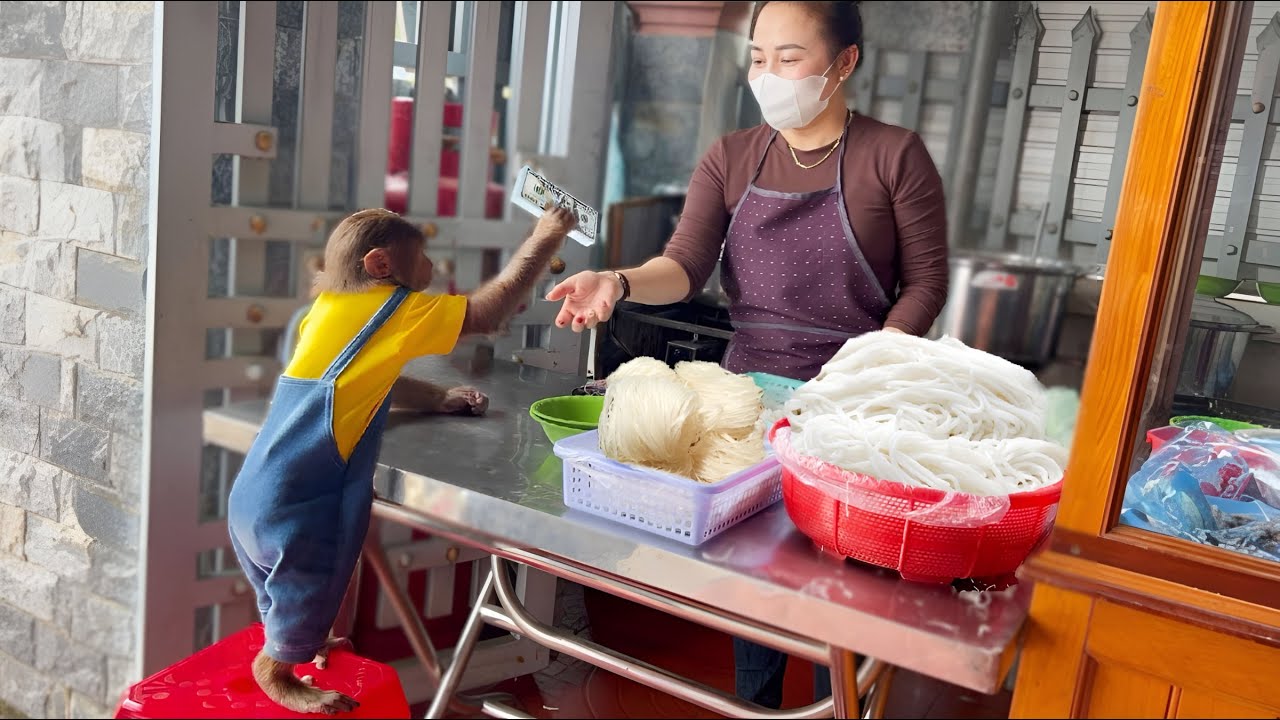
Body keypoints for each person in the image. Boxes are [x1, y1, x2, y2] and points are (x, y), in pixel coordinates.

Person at [546, 0, 948, 708]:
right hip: (750, 398)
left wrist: (873, 363)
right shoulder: (732, 155)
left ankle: (845, 706)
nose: (769, 74)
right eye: (759, 58)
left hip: (857, 408)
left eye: (789, 58)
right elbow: (685, 265)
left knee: (840, 587)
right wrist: (618, 279)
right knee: (754, 576)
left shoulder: (894, 155)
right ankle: (753, 705)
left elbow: (925, 283)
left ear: (844, 62)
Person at [228, 206, 576, 713]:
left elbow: (371, 377)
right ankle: (277, 674)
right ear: (381, 265)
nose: (432, 269)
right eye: (424, 258)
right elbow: (489, 312)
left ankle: (298, 646)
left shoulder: (327, 308)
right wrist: (547, 235)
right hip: (298, 501)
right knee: (312, 584)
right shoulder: (394, 306)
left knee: (291, 599)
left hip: (256, 493)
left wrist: (438, 398)